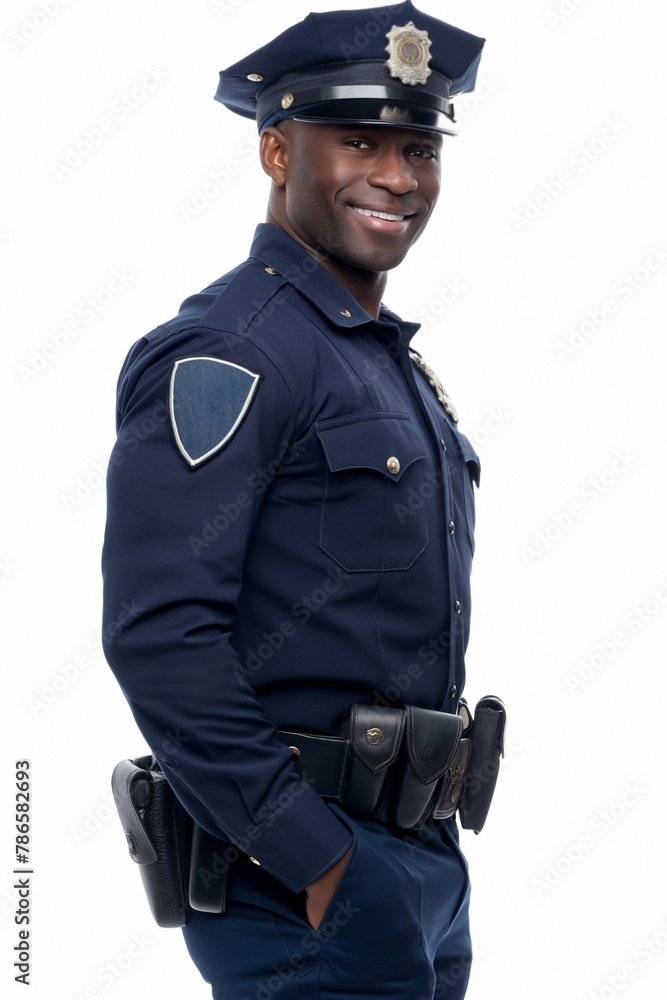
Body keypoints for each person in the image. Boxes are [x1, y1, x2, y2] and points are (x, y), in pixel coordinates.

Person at [102, 3, 489, 997]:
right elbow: (160, 635)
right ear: (277, 151)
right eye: (357, 141)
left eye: (418, 146)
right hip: (301, 880)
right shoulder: (231, 351)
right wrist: (317, 861)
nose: (397, 176)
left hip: (420, 864)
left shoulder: (382, 363)